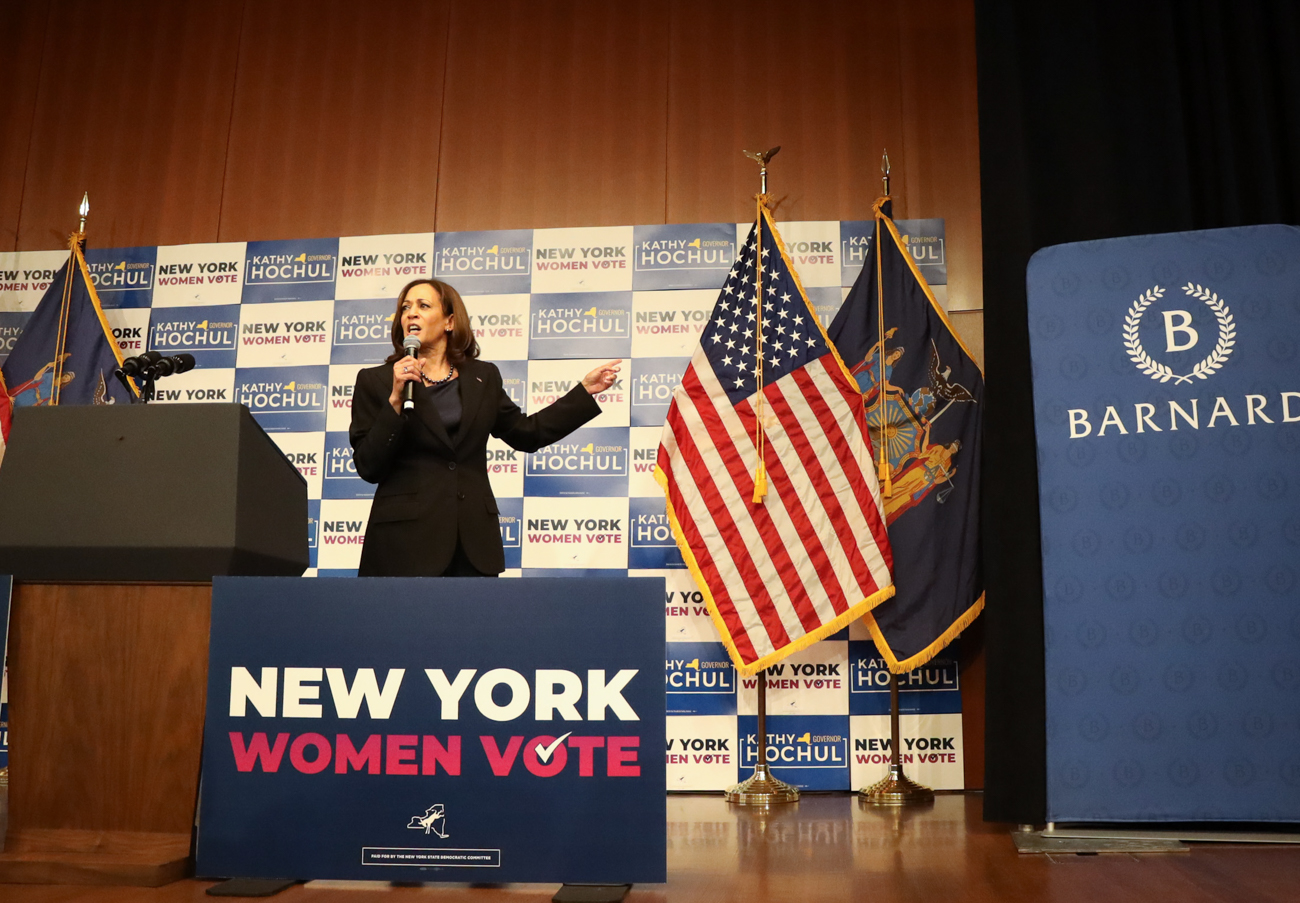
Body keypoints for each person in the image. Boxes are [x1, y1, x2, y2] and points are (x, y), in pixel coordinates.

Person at [349, 278, 619, 577]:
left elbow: (527, 433)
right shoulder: (375, 381)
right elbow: (368, 466)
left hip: (472, 544)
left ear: (450, 321)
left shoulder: (483, 377)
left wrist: (583, 392)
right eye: (405, 308)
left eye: (423, 306)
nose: (411, 313)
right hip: (403, 544)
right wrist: (395, 401)